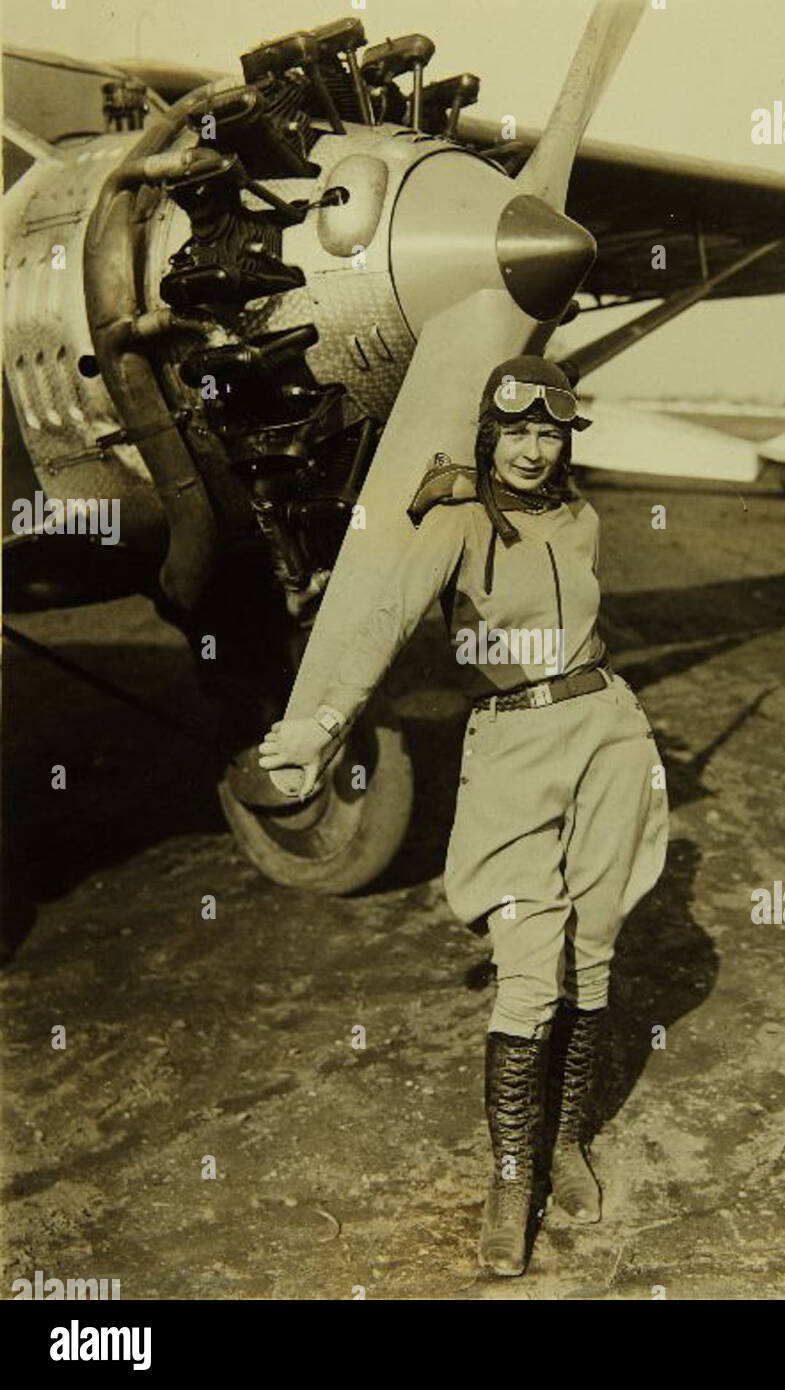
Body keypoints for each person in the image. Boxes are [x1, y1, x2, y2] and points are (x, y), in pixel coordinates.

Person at [259, 355, 668, 1276]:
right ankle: (510, 1178)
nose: (532, 450)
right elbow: (386, 617)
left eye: (549, 432)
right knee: (528, 966)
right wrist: (322, 723)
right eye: (516, 432)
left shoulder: (581, 516)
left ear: (566, 440)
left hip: (607, 731)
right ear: (490, 436)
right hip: (512, 745)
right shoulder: (452, 517)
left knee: (592, 951)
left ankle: (565, 1147)